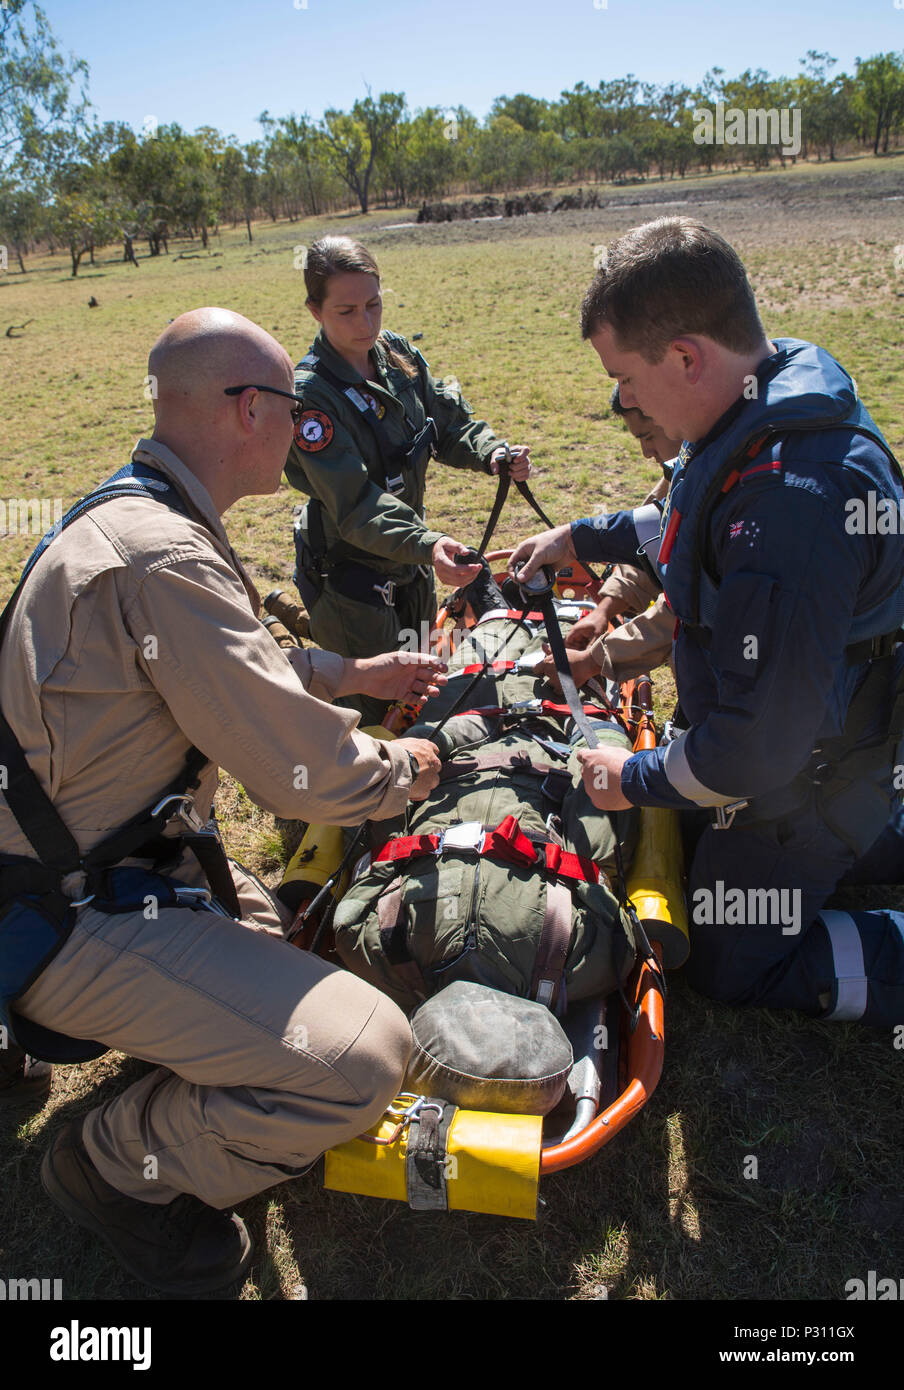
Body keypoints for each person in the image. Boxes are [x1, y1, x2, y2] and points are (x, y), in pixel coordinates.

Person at [0, 307, 449, 1296]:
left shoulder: (140, 511)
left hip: (88, 865)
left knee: (274, 935)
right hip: (61, 909)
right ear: (250, 409)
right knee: (366, 1060)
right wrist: (410, 766)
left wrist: (357, 668)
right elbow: (303, 776)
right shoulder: (164, 553)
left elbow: (234, 658)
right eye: (291, 408)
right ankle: (114, 1165)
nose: (300, 427)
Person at [510, 216, 904, 1028]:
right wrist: (581, 537)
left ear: (686, 356)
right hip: (795, 727)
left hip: (815, 759)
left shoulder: (794, 505)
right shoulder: (754, 396)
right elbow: (694, 522)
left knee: (727, 948)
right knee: (693, 852)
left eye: (626, 376)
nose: (623, 400)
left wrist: (634, 779)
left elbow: (761, 746)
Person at [286, 235, 532, 726]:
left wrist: (492, 454)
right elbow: (357, 506)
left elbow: (445, 422)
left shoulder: (396, 354)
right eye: (346, 310)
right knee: (373, 716)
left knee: (420, 688)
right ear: (315, 310)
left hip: (409, 566)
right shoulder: (311, 399)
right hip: (352, 587)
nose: (365, 323)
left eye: (374, 305)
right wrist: (429, 542)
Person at [539, 386, 680, 688]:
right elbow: (649, 553)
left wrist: (593, 661)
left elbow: (683, 612)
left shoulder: (722, 489)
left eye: (649, 436)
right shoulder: (679, 476)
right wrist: (603, 610)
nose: (646, 453)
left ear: (677, 414)